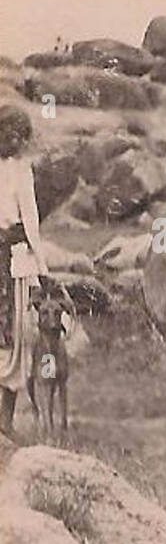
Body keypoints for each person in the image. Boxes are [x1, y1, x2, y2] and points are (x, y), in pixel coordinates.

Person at [0, 106, 54, 437]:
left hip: (15, 260)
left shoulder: (23, 171)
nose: (14, 141)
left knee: (17, 337)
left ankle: (5, 419)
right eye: (8, 133)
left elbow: (31, 222)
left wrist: (41, 267)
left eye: (20, 135)